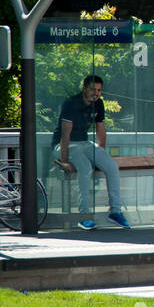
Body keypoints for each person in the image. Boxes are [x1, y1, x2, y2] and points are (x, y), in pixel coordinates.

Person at [53, 74, 131, 230]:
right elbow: (65, 133)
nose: (96, 93)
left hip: (84, 143)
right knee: (85, 167)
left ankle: (115, 212)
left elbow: (101, 130)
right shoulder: (71, 103)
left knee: (112, 167)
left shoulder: (99, 104)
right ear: (84, 88)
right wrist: (65, 161)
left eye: (99, 90)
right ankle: (84, 216)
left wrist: (100, 156)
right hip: (64, 145)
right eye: (92, 89)